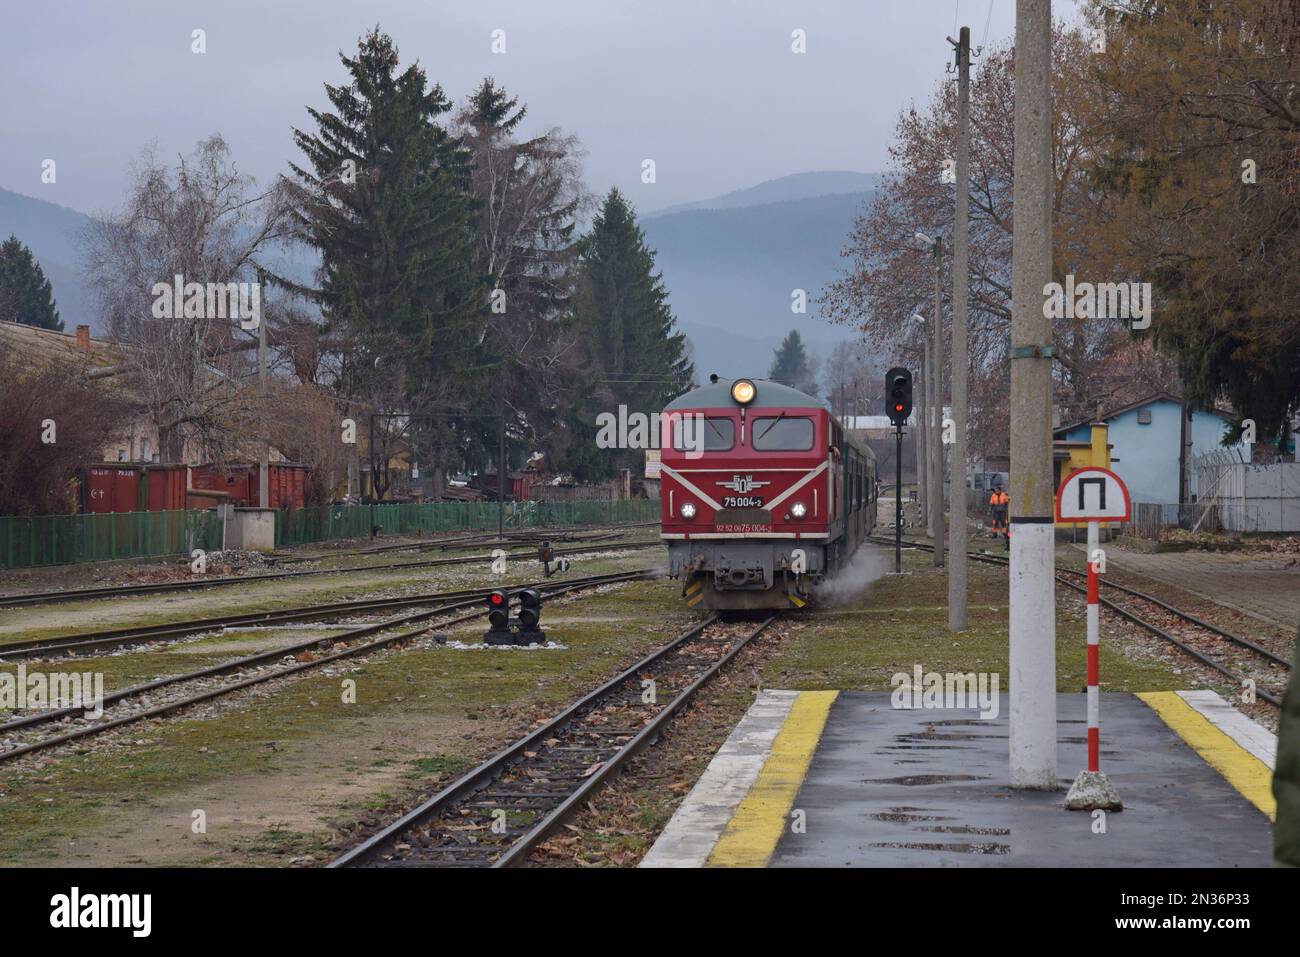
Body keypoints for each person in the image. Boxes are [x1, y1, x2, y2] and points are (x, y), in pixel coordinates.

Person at [989, 482, 1010, 550]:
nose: (996, 491)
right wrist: (990, 511)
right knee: (995, 523)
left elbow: (1007, 502)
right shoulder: (993, 496)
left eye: (997, 490)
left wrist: (1005, 508)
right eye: (996, 490)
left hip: (1003, 512)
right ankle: (995, 534)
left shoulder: (1004, 495)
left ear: (1000, 490)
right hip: (996, 511)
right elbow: (991, 504)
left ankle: (1006, 535)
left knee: (1005, 524)